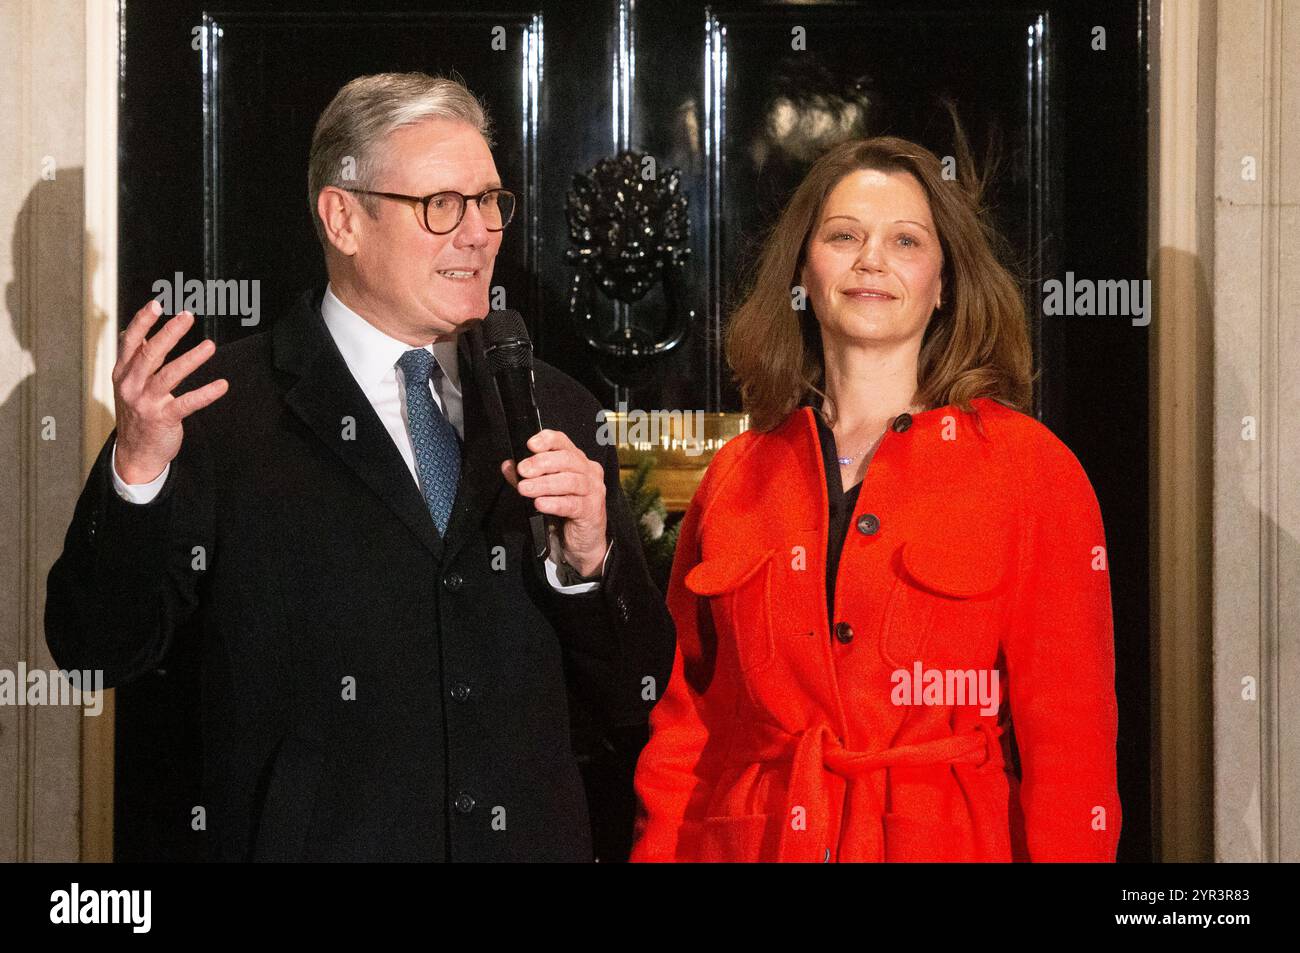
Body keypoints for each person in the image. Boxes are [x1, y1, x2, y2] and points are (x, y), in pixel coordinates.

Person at [45, 72, 675, 862]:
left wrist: (588, 564)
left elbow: (639, 697)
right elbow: (95, 647)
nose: (479, 232)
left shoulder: (557, 408)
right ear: (343, 217)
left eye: (490, 202)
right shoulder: (216, 411)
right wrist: (137, 469)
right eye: (441, 204)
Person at [629, 132, 1121, 862]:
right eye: (844, 235)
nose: (872, 260)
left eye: (906, 241)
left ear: (945, 282)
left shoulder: (1028, 468)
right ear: (804, 265)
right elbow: (685, 726)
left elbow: (1071, 745)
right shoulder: (737, 474)